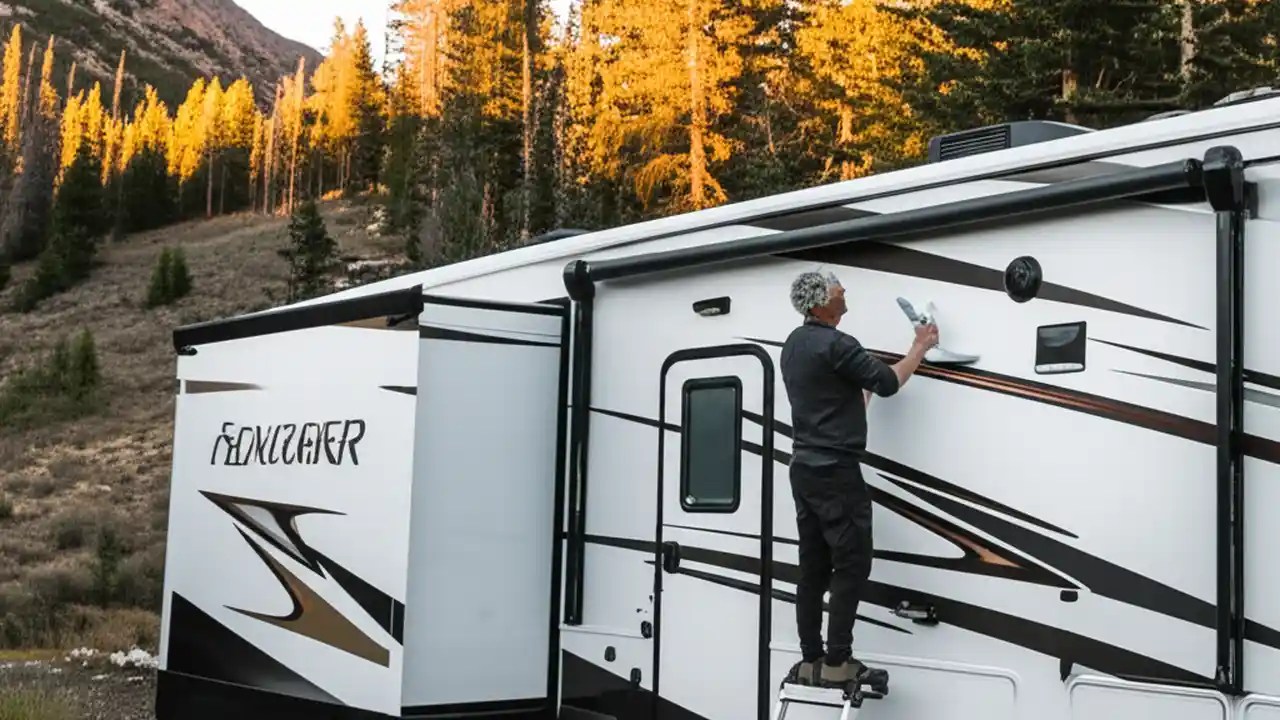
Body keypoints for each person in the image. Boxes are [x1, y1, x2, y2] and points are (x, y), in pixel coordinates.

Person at [780, 269, 938, 688]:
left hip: (804, 468)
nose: (844, 289)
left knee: (813, 568)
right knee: (852, 562)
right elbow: (888, 383)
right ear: (820, 302)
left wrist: (855, 396)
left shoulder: (794, 346)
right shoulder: (837, 344)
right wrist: (919, 346)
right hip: (836, 471)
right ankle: (838, 661)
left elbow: (831, 397)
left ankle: (811, 659)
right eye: (836, 287)